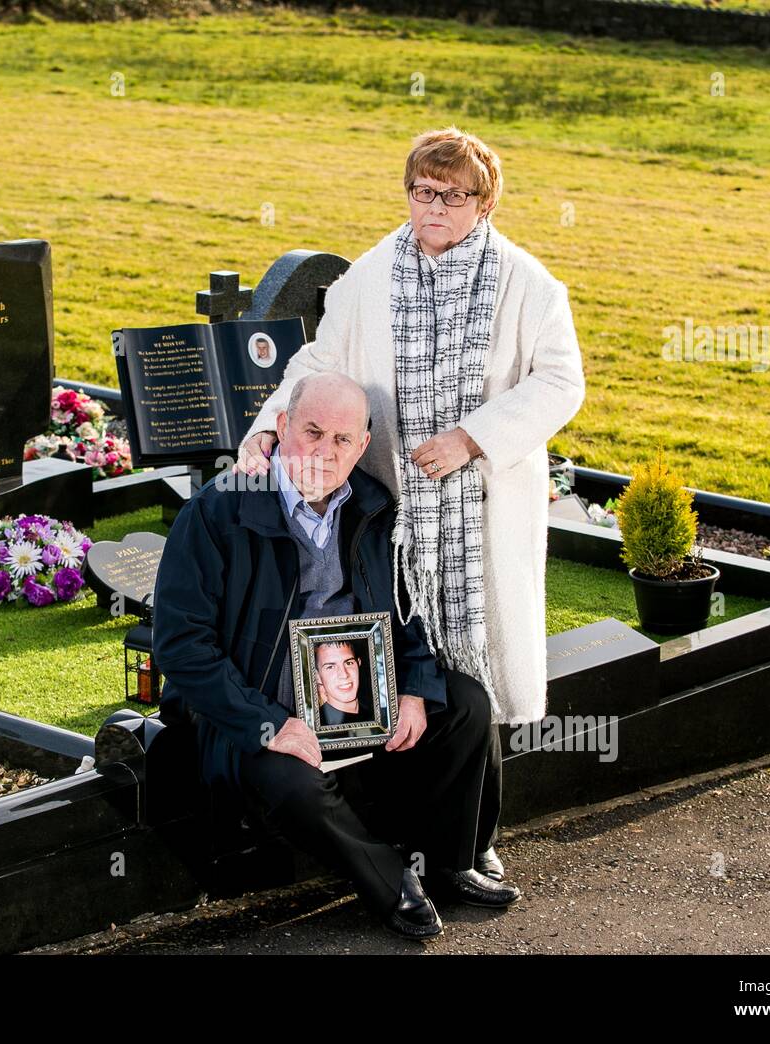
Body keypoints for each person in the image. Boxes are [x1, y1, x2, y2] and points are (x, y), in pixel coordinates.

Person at [236, 126, 586, 885]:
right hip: (393, 521)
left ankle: (476, 841)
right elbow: (319, 364)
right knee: (423, 685)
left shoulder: (528, 285)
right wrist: (270, 424)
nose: (431, 206)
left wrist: (474, 437)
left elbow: (561, 382)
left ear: (484, 202)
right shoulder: (369, 277)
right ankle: (420, 835)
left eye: (450, 194)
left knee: (477, 680)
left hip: (481, 515)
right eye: (420, 191)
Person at [153, 372, 519, 940]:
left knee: (466, 703)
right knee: (291, 781)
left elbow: (408, 610)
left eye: (341, 440)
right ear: (282, 426)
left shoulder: (374, 508)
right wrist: (267, 723)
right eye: (312, 432)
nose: (324, 452)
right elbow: (181, 646)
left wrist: (416, 688)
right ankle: (392, 883)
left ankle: (451, 859)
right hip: (255, 703)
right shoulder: (217, 512)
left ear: (362, 447)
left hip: (354, 691)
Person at [314, 640, 369, 725]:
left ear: (358, 663)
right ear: (317, 676)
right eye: (330, 667)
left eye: (349, 663)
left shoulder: (378, 716)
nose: (344, 674)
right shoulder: (314, 726)